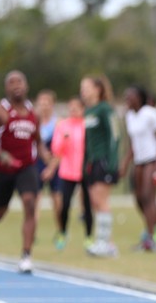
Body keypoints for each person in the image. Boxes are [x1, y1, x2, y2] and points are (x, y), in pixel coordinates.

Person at [0, 70, 49, 273]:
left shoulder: (34, 114)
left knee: (30, 203)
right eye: (11, 82)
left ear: (26, 86)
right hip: (3, 169)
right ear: (6, 88)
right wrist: (2, 155)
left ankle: (26, 256)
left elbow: (38, 142)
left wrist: (49, 158)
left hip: (26, 167)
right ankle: (4, 200)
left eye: (19, 81)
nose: (16, 85)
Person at [120, 86, 156, 251]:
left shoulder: (150, 113)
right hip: (139, 161)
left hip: (152, 160)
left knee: (149, 197)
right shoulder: (129, 116)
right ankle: (150, 228)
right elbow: (132, 143)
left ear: (139, 98)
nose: (127, 100)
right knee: (139, 198)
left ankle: (151, 237)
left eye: (130, 97)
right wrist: (125, 163)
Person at [80, 75, 121, 258]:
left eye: (86, 87)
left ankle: (104, 244)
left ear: (97, 89)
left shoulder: (105, 109)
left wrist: (112, 163)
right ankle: (106, 242)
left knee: (101, 200)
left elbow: (115, 135)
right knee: (94, 201)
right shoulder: (88, 111)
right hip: (92, 162)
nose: (83, 91)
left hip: (104, 160)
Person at [46, 97, 92, 250]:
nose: (73, 110)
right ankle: (62, 232)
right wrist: (64, 139)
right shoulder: (63, 125)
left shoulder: (87, 125)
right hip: (67, 171)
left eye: (76, 107)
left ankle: (89, 236)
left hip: (85, 171)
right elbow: (56, 149)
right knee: (64, 204)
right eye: (71, 107)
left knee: (87, 206)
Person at [33, 90, 64, 238]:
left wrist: (51, 166)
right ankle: (32, 232)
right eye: (41, 103)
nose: (44, 106)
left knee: (57, 200)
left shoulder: (58, 123)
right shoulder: (34, 122)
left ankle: (61, 231)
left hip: (55, 165)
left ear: (52, 104)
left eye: (47, 103)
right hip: (37, 164)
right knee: (34, 199)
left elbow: (62, 148)